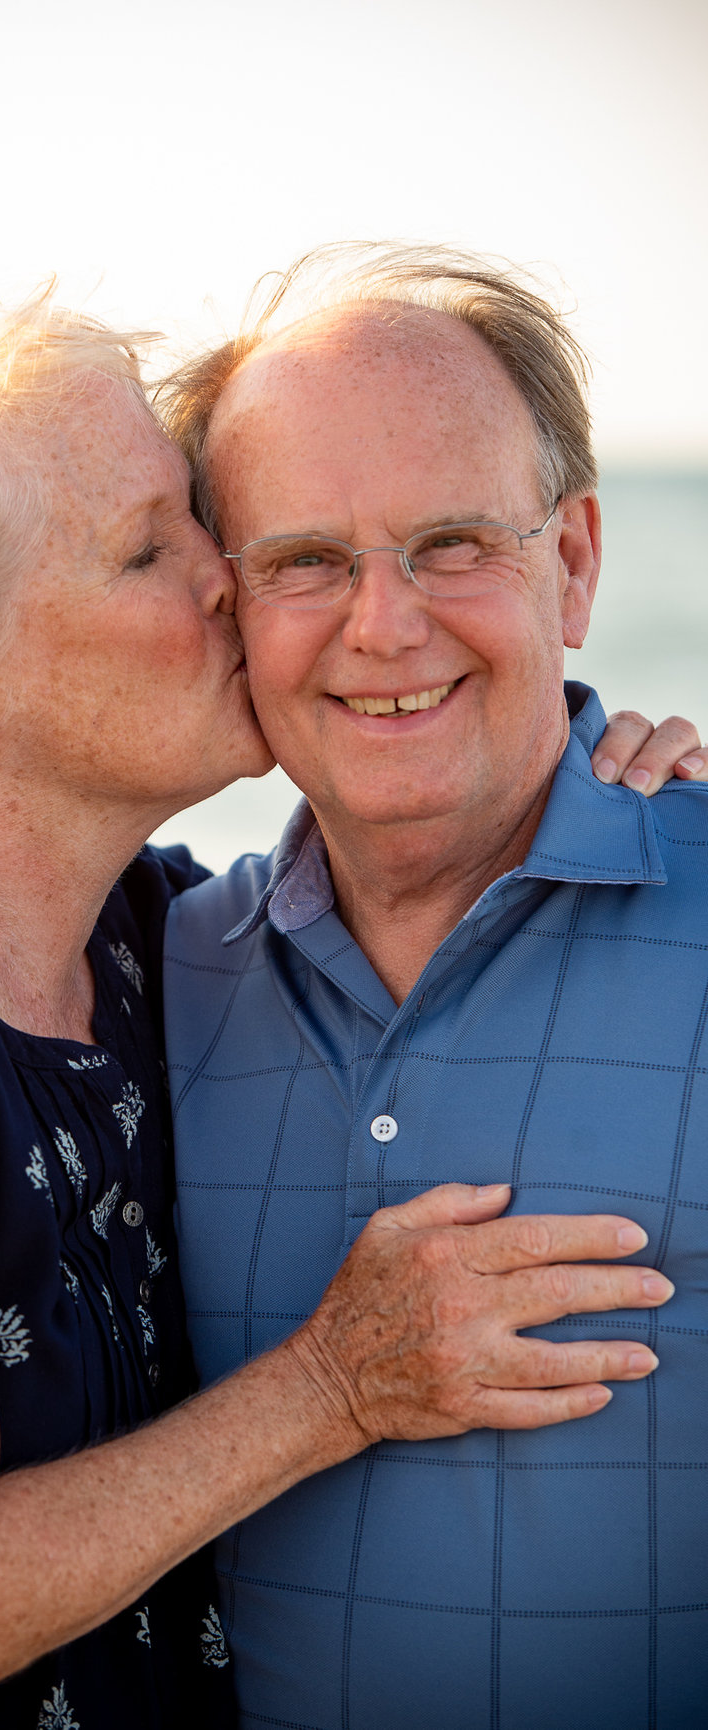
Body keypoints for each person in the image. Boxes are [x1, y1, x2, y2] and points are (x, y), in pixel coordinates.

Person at [0, 298, 683, 1730]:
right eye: (153, 547)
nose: (234, 582)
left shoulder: (163, 935)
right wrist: (335, 1384)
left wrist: (602, 785)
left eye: (203, 525)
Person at [158, 244, 708, 1728]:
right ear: (228, 609)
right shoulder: (140, 978)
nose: (384, 626)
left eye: (455, 543)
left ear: (575, 562)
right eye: (305, 561)